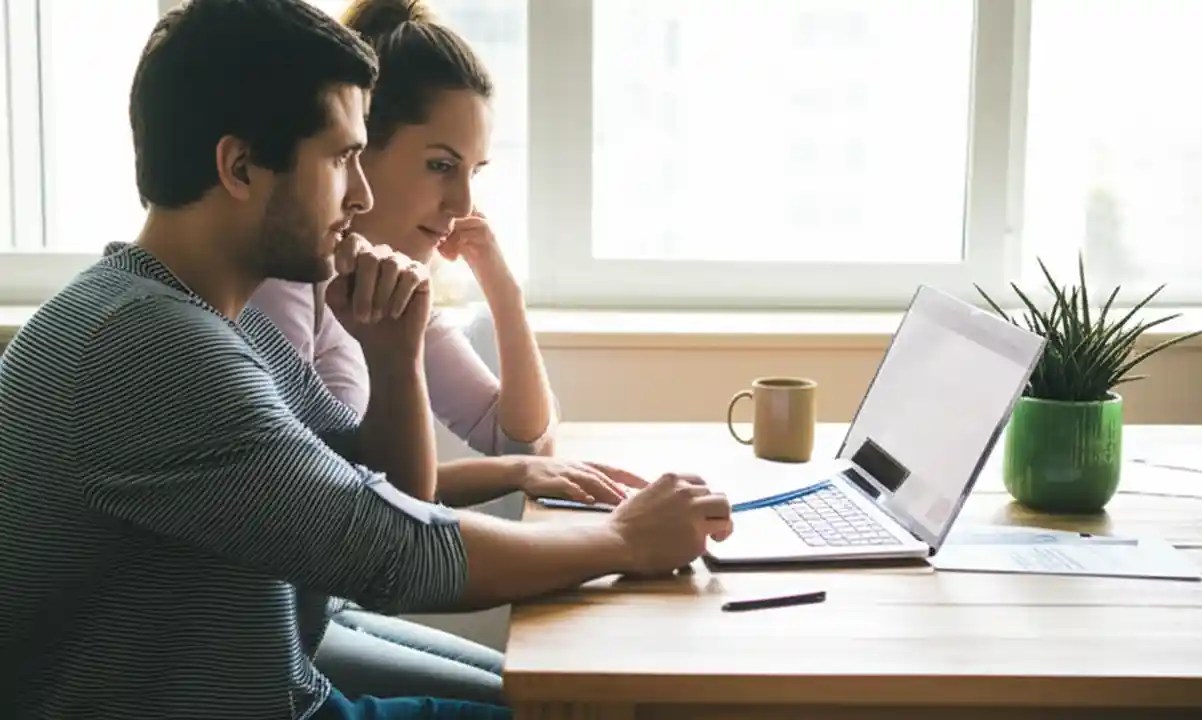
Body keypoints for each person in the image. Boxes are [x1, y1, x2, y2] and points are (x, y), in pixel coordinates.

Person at [0, 1, 733, 718]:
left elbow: (387, 495)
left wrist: (392, 354)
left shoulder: (205, 319)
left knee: (561, 696)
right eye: (343, 158)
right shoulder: (149, 348)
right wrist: (621, 538)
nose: (360, 195)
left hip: (286, 691)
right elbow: (394, 557)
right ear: (241, 166)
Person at [247, 0, 642, 704]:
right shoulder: (284, 280)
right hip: (282, 626)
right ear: (358, 149)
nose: (462, 201)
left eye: (475, 171)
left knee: (541, 690)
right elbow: (341, 500)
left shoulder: (389, 273)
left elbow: (517, 429)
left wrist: (502, 285)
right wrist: (612, 531)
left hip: (326, 608)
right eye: (439, 166)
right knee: (542, 701)